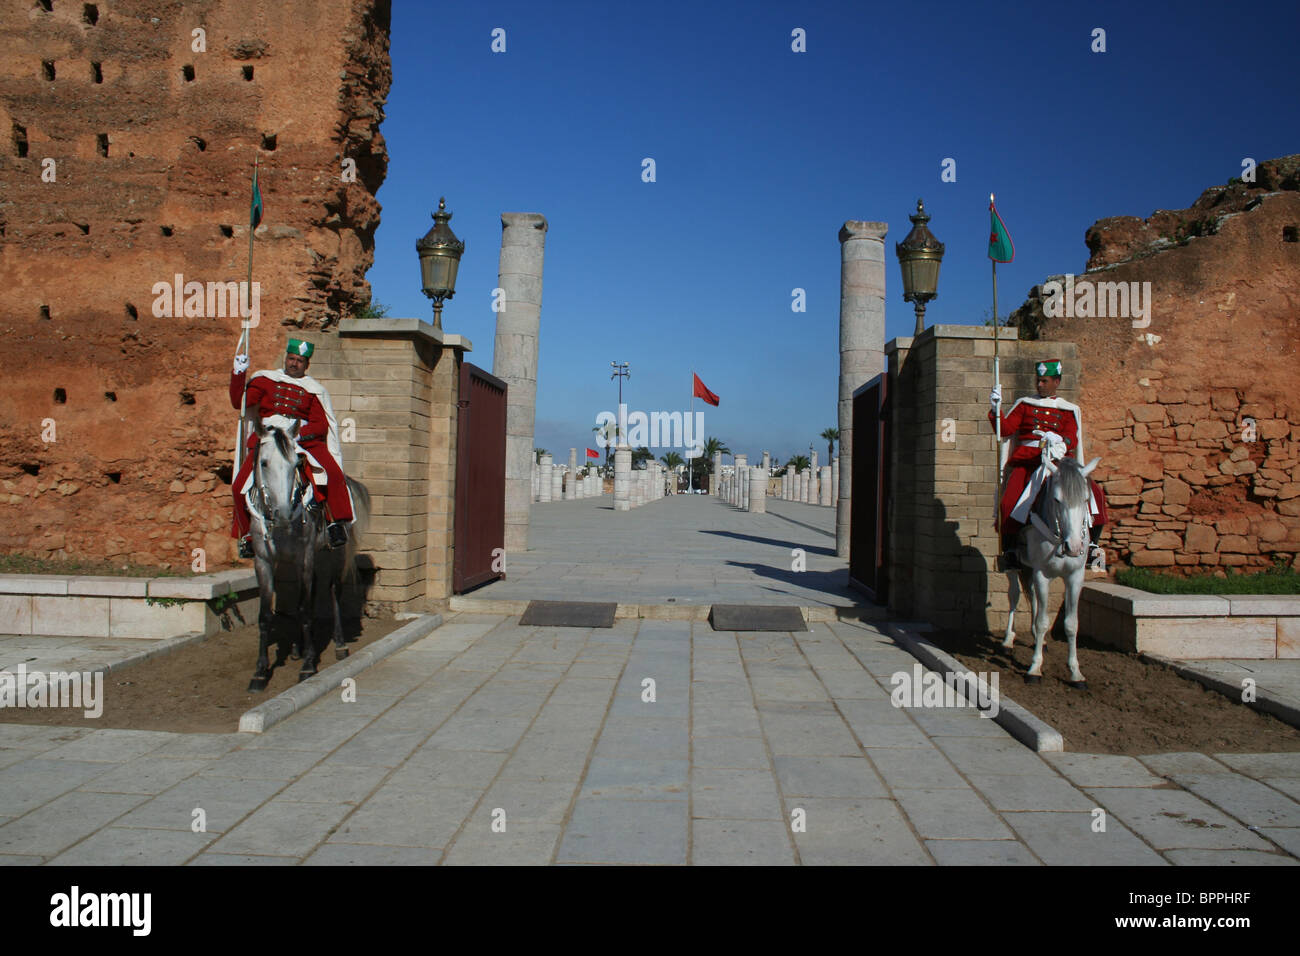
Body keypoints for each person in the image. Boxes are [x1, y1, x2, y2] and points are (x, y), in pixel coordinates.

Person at [230, 338, 353, 557]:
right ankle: (247, 534)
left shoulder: (314, 390)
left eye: (299, 361)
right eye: (291, 359)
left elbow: (321, 424)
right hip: (268, 438)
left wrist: (297, 434)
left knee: (332, 473)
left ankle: (335, 523)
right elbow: (239, 402)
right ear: (286, 358)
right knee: (238, 485)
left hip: (299, 440)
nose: (294, 363)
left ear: (307, 365)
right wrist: (239, 374)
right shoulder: (266, 380)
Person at [989, 359, 1108, 570]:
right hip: (1028, 461)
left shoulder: (1068, 409)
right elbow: (1006, 429)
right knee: (1009, 502)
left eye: (1044, 381)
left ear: (1057, 381)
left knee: (1095, 494)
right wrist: (996, 409)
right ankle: (1011, 552)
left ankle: (1091, 547)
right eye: (1038, 381)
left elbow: (1073, 437)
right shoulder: (1025, 405)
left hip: (1058, 461)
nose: (1040, 385)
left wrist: (1061, 441)